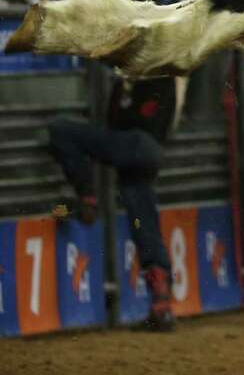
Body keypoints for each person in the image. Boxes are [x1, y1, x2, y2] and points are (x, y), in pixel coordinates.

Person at [48, 78, 178, 331]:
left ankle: (86, 198)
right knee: (142, 221)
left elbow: (126, 117)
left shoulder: (147, 73)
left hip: (135, 145)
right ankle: (161, 306)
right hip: (145, 154)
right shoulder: (163, 74)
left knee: (60, 130)